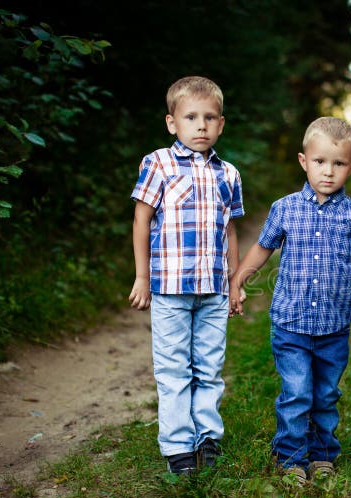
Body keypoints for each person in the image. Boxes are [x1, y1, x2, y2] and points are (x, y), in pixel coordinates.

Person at [230, 117, 351, 485]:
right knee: (296, 393)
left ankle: (322, 454)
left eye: (338, 164)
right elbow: (262, 249)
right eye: (320, 161)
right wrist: (238, 281)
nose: (328, 172)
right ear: (304, 161)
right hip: (290, 325)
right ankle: (291, 457)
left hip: (333, 328)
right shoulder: (285, 209)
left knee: (325, 393)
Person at [129, 76, 244, 476]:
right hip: (170, 287)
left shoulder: (228, 174)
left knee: (208, 367)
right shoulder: (157, 163)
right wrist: (142, 276)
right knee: (174, 368)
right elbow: (142, 219)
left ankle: (207, 437)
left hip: (213, 289)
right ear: (171, 122)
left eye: (209, 117)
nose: (200, 125)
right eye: (191, 117)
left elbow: (230, 230)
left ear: (221, 124)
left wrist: (234, 282)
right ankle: (178, 446)